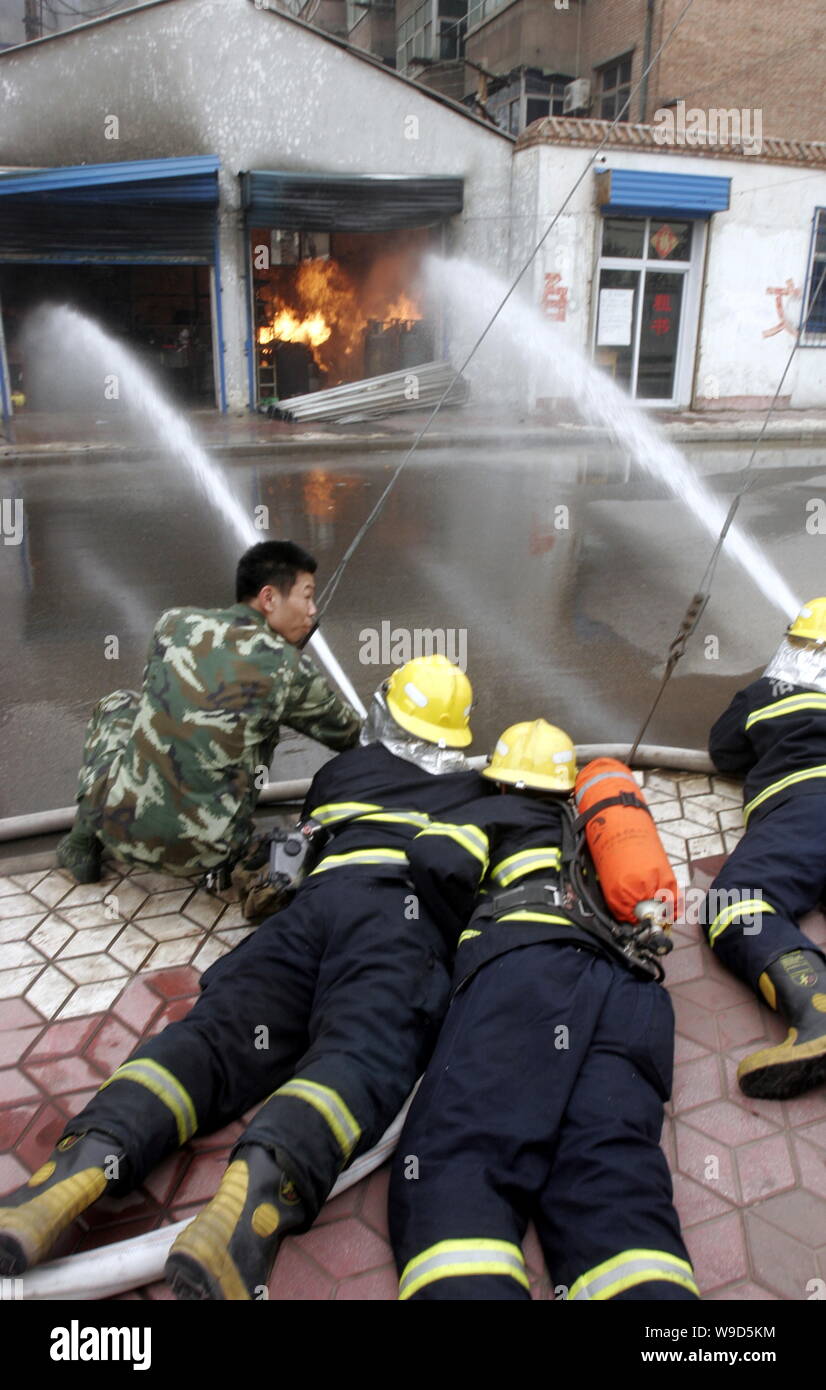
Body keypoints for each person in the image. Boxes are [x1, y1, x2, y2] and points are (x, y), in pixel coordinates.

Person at [0, 656, 493, 1300]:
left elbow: (299, 850)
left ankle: (75, 1167)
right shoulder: (486, 796)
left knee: (216, 1036)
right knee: (360, 1050)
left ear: (389, 716)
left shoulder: (342, 772)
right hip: (399, 924)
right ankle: (253, 1200)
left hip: (313, 910)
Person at [388, 720, 698, 1302]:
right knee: (611, 1162)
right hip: (630, 990)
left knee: (464, 1145)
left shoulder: (494, 814)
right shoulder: (591, 833)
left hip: (529, 973)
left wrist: (464, 929)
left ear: (502, 785)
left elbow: (435, 857)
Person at [56, 540, 361, 886]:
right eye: (306, 596)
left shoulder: (172, 624)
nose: (312, 610)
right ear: (269, 598)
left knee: (119, 706)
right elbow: (353, 737)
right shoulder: (289, 669)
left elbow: (171, 698)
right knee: (256, 726)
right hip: (213, 853)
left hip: (119, 833)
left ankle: (81, 846)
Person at [703, 597, 826, 1100]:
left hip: (806, 806)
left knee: (736, 903)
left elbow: (723, 750)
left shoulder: (766, 694)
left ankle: (816, 1010)